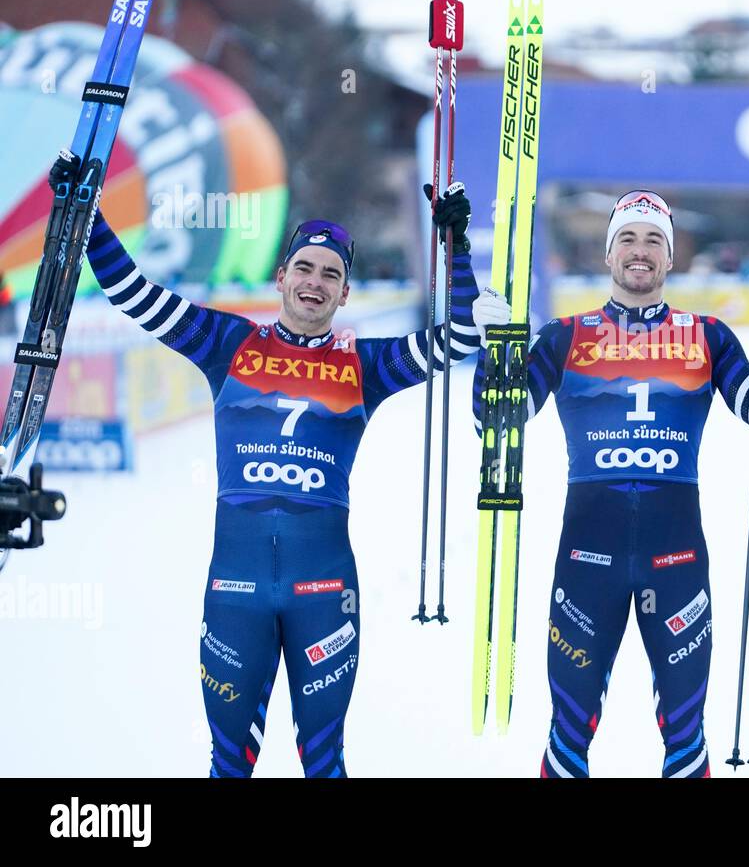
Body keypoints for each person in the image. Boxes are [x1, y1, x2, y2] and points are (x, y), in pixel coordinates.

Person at [73, 151, 482, 777]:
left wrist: (454, 245)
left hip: (324, 592)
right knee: (228, 763)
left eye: (330, 274)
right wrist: (87, 211)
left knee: (323, 763)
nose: (314, 281)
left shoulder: (364, 366)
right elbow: (131, 293)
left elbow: (458, 339)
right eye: (304, 268)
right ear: (281, 276)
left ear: (345, 292)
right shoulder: (228, 344)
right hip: (234, 591)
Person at [472, 189, 749, 778]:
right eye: (627, 238)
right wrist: (495, 351)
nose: (640, 251)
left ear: (670, 258)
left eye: (654, 240)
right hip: (585, 560)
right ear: (608, 253)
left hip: (676, 563)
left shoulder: (708, 335)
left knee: (686, 733)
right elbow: (496, 423)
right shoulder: (565, 336)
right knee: (568, 731)